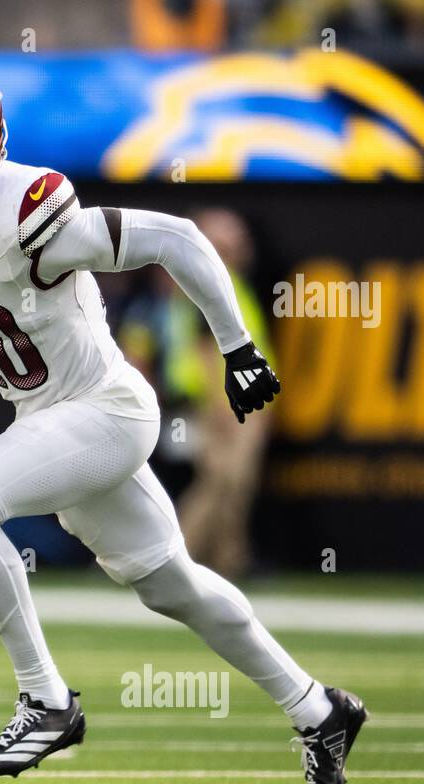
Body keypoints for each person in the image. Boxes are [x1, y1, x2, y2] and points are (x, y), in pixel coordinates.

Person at [0, 58, 366, 784]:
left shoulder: (28, 210)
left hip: (106, 410)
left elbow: (179, 238)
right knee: (175, 588)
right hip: (49, 421)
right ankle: (320, 712)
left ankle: (46, 702)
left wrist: (238, 349)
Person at [174, 208, 274, 580]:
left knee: (235, 485)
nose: (237, 244)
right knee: (220, 483)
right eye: (227, 238)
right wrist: (220, 402)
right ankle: (174, 558)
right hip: (227, 403)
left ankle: (230, 562)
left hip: (244, 400)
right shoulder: (209, 282)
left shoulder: (231, 282)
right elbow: (203, 350)